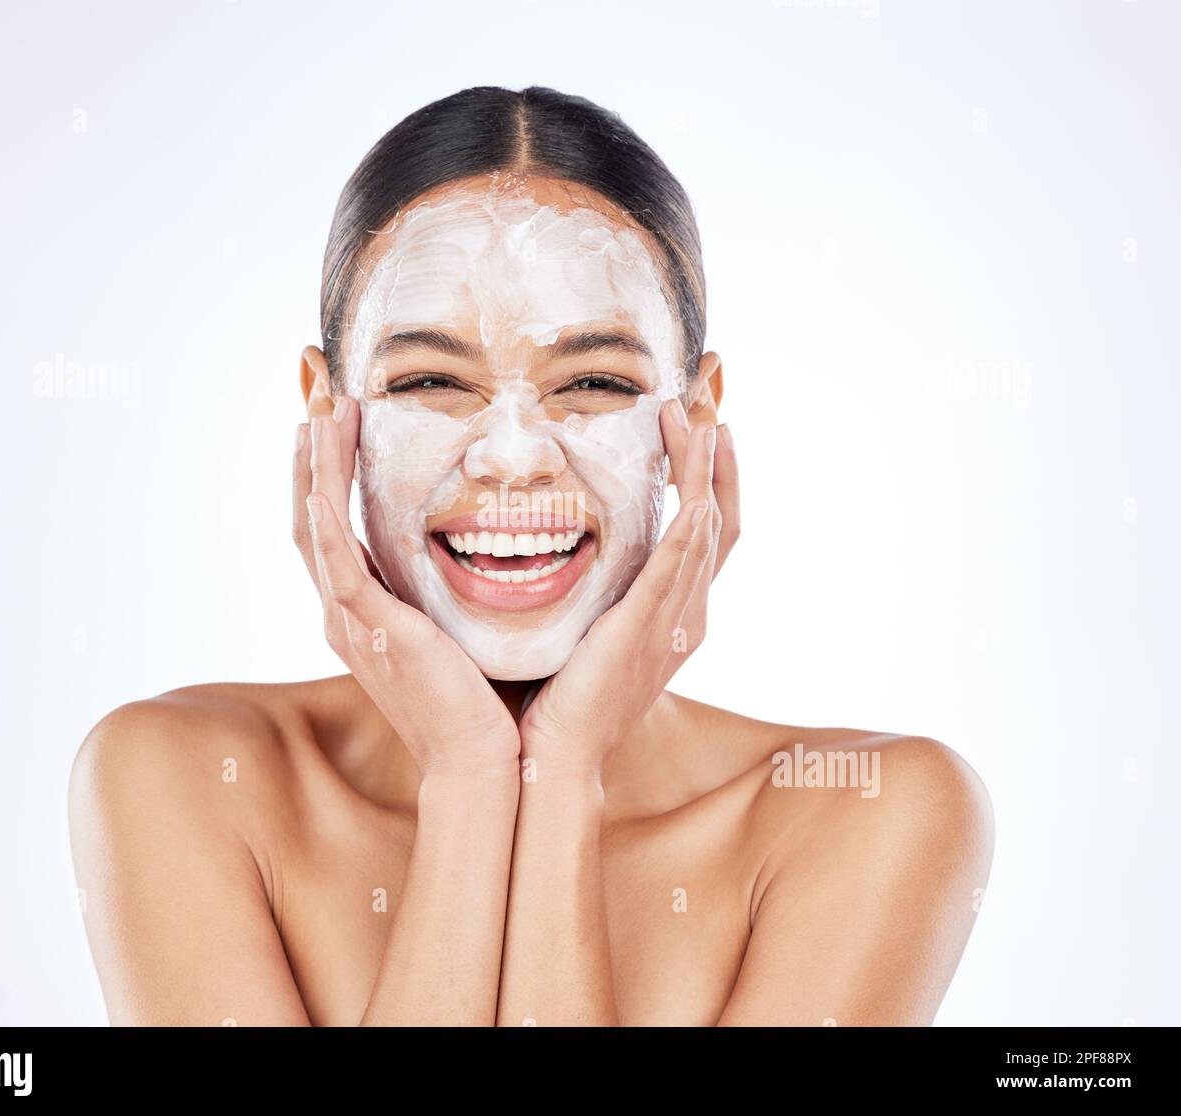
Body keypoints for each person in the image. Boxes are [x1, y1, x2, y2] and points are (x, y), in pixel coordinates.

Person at [68, 85, 994, 1026]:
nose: (513, 455)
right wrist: (470, 777)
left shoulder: (870, 813)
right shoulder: (174, 778)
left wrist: (562, 775)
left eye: (593, 381)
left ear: (697, 419)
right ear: (327, 413)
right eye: (430, 379)